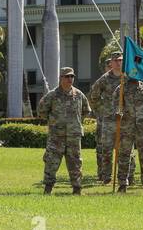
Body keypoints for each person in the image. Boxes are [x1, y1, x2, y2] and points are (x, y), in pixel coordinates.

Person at [37, 66, 89, 195]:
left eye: (72, 76)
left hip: (73, 136)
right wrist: (54, 121)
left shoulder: (79, 94)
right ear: (61, 78)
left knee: (75, 162)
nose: (70, 79)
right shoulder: (52, 95)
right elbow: (42, 111)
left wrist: (75, 124)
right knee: (51, 162)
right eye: (67, 76)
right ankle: (48, 188)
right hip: (56, 136)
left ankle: (77, 189)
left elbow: (86, 111)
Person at [114, 65, 143, 194]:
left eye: (136, 72)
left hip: (142, 129)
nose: (134, 74)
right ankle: (122, 184)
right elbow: (115, 105)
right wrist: (118, 114)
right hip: (126, 128)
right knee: (124, 156)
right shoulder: (121, 89)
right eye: (132, 72)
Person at [88, 53, 123, 185]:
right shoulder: (104, 79)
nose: (118, 63)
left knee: (125, 150)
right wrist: (102, 110)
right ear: (111, 63)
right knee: (107, 149)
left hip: (124, 119)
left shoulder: (128, 77)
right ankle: (106, 176)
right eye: (116, 61)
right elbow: (93, 96)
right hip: (108, 119)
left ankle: (126, 176)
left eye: (120, 60)